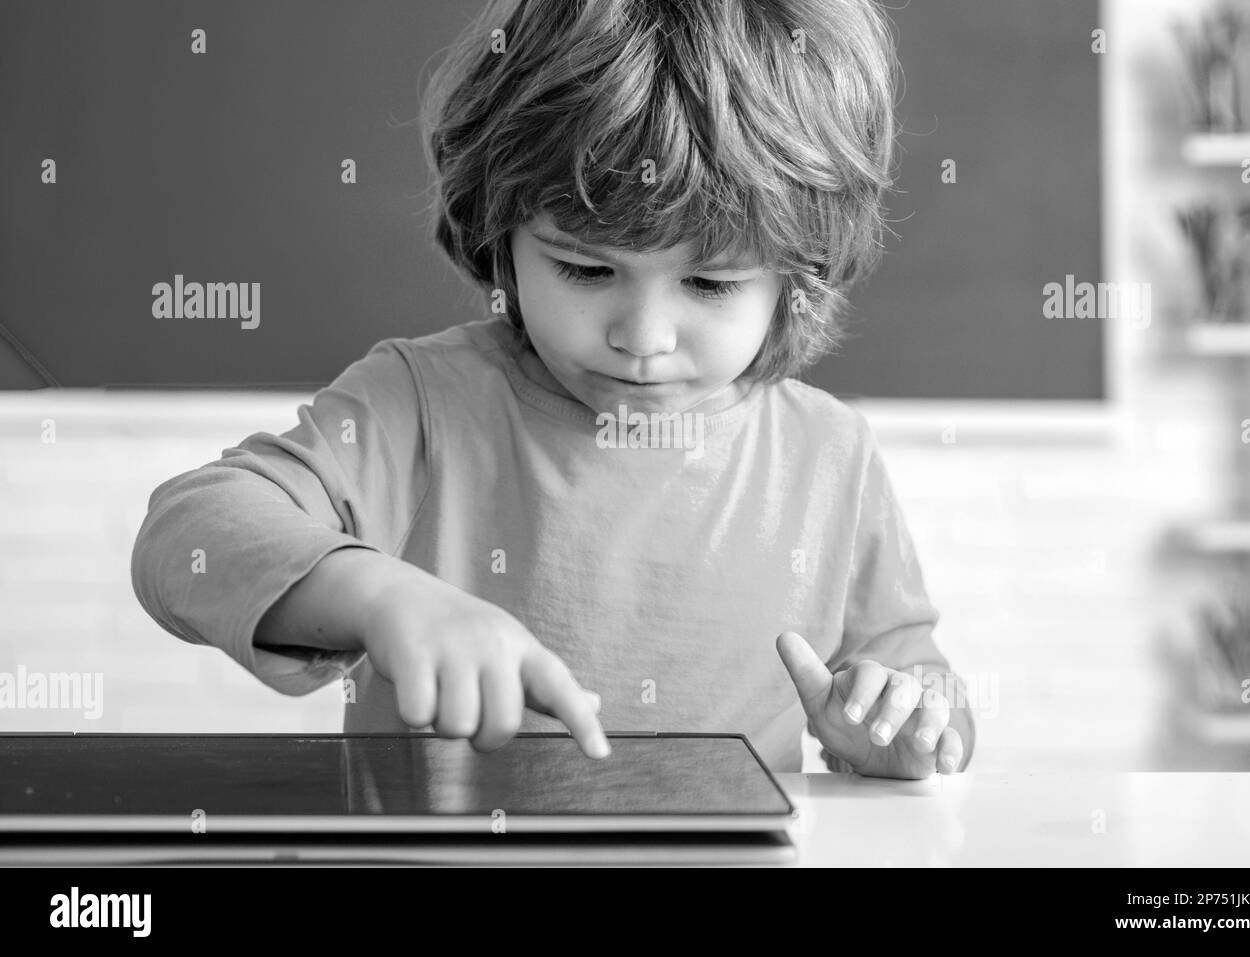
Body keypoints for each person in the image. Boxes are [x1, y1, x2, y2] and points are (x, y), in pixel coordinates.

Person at [131, 0, 974, 778]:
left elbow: (921, 682)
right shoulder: (421, 405)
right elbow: (186, 534)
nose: (643, 338)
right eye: (584, 267)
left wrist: (904, 727)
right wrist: (380, 597)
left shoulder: (832, 456)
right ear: (502, 234)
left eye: (711, 285)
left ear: (798, 275)